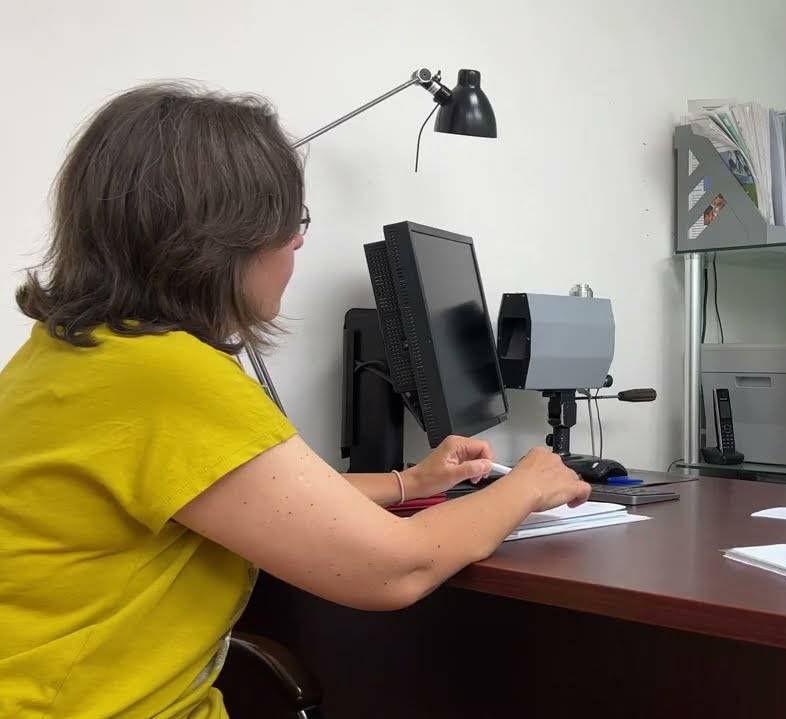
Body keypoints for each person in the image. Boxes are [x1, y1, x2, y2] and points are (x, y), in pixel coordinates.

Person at [0, 83, 591, 718]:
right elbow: (396, 569)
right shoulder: (167, 378)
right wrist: (527, 485)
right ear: (222, 237)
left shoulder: (66, 355)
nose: (298, 242)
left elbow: (244, 496)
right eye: (290, 221)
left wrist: (411, 482)